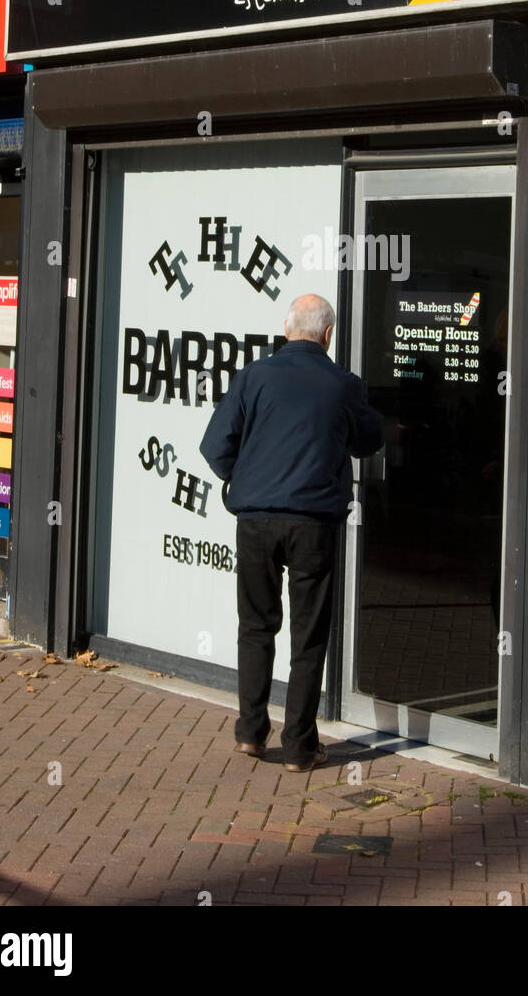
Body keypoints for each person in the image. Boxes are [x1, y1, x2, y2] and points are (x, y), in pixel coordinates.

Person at [199, 293, 384, 771]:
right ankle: (300, 747)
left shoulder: (253, 376)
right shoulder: (344, 385)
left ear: (286, 330)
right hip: (312, 523)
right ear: (328, 335)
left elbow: (215, 445)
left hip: (255, 521)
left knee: (255, 626)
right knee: (308, 635)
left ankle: (250, 732)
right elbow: (370, 440)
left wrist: (243, 476)